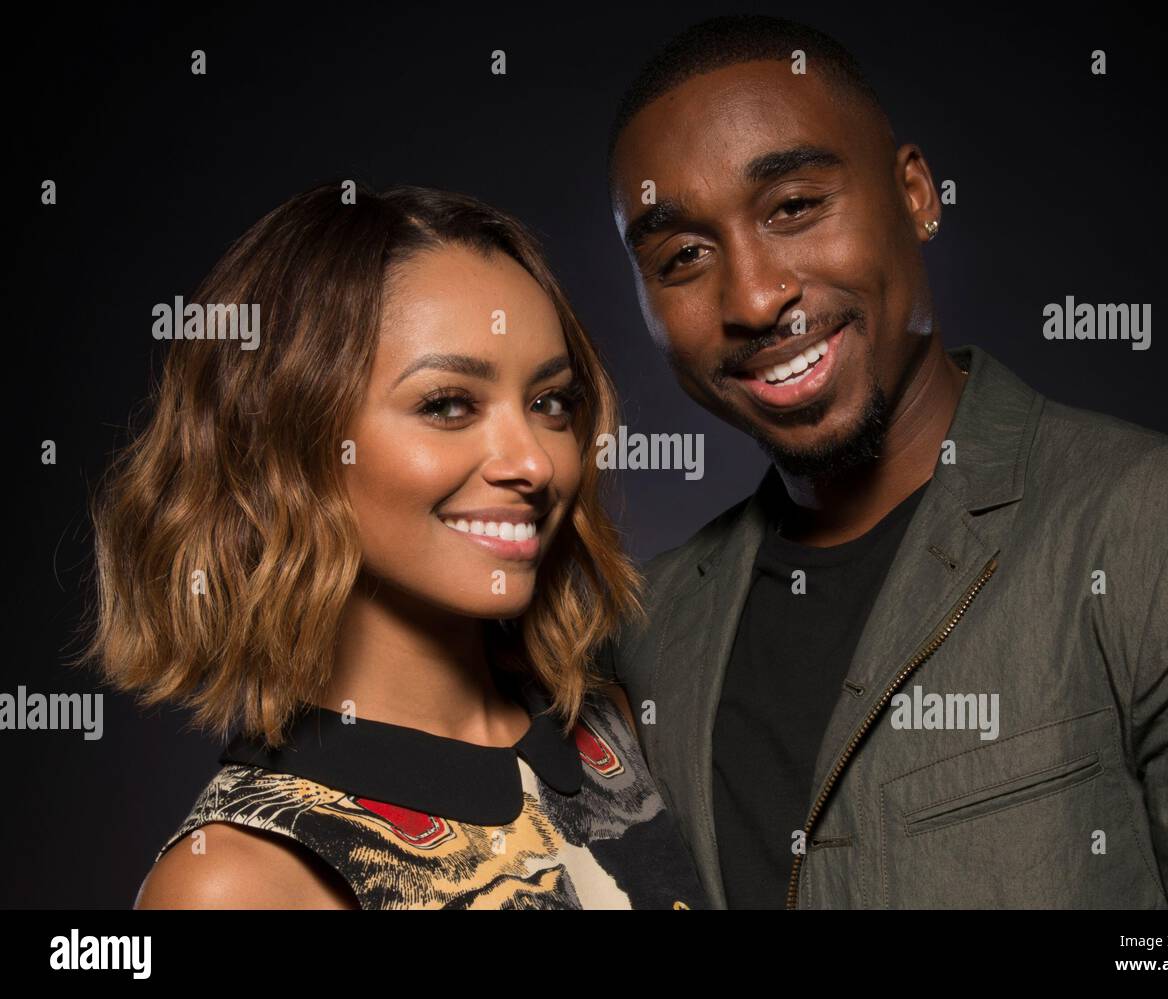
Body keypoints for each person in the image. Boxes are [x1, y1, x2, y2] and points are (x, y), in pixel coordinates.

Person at [598, 14, 1168, 908]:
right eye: (682, 255)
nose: (754, 295)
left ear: (918, 195)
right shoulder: (644, 630)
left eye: (795, 208)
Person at [83, 182, 708, 909]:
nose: (534, 462)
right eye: (447, 405)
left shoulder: (621, 728)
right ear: (295, 443)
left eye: (550, 403)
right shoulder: (239, 881)